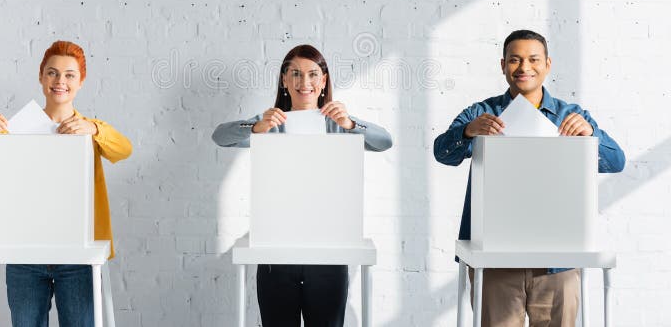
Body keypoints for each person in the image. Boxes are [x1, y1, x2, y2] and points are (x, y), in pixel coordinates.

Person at [433, 29, 625, 327]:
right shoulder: (481, 113)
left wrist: (591, 135)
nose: (524, 67)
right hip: (495, 258)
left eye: (533, 59)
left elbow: (616, 161)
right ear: (503, 65)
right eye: (515, 60)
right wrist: (467, 131)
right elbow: (442, 153)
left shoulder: (569, 115)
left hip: (556, 262)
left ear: (548, 64)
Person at [212, 44, 393, 327]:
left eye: (312, 74)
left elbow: (384, 141)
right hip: (277, 254)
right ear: (284, 80)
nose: (304, 82)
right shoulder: (270, 123)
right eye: (295, 74)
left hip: (328, 255)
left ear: (323, 81)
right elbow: (221, 137)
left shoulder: (338, 124)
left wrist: (351, 124)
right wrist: (254, 128)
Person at [0, 40, 132, 327]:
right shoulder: (16, 129)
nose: (60, 81)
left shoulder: (89, 129)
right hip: (24, 253)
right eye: (52, 73)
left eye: (69, 75)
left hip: (77, 255)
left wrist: (95, 129)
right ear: (41, 77)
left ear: (81, 81)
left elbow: (124, 149)